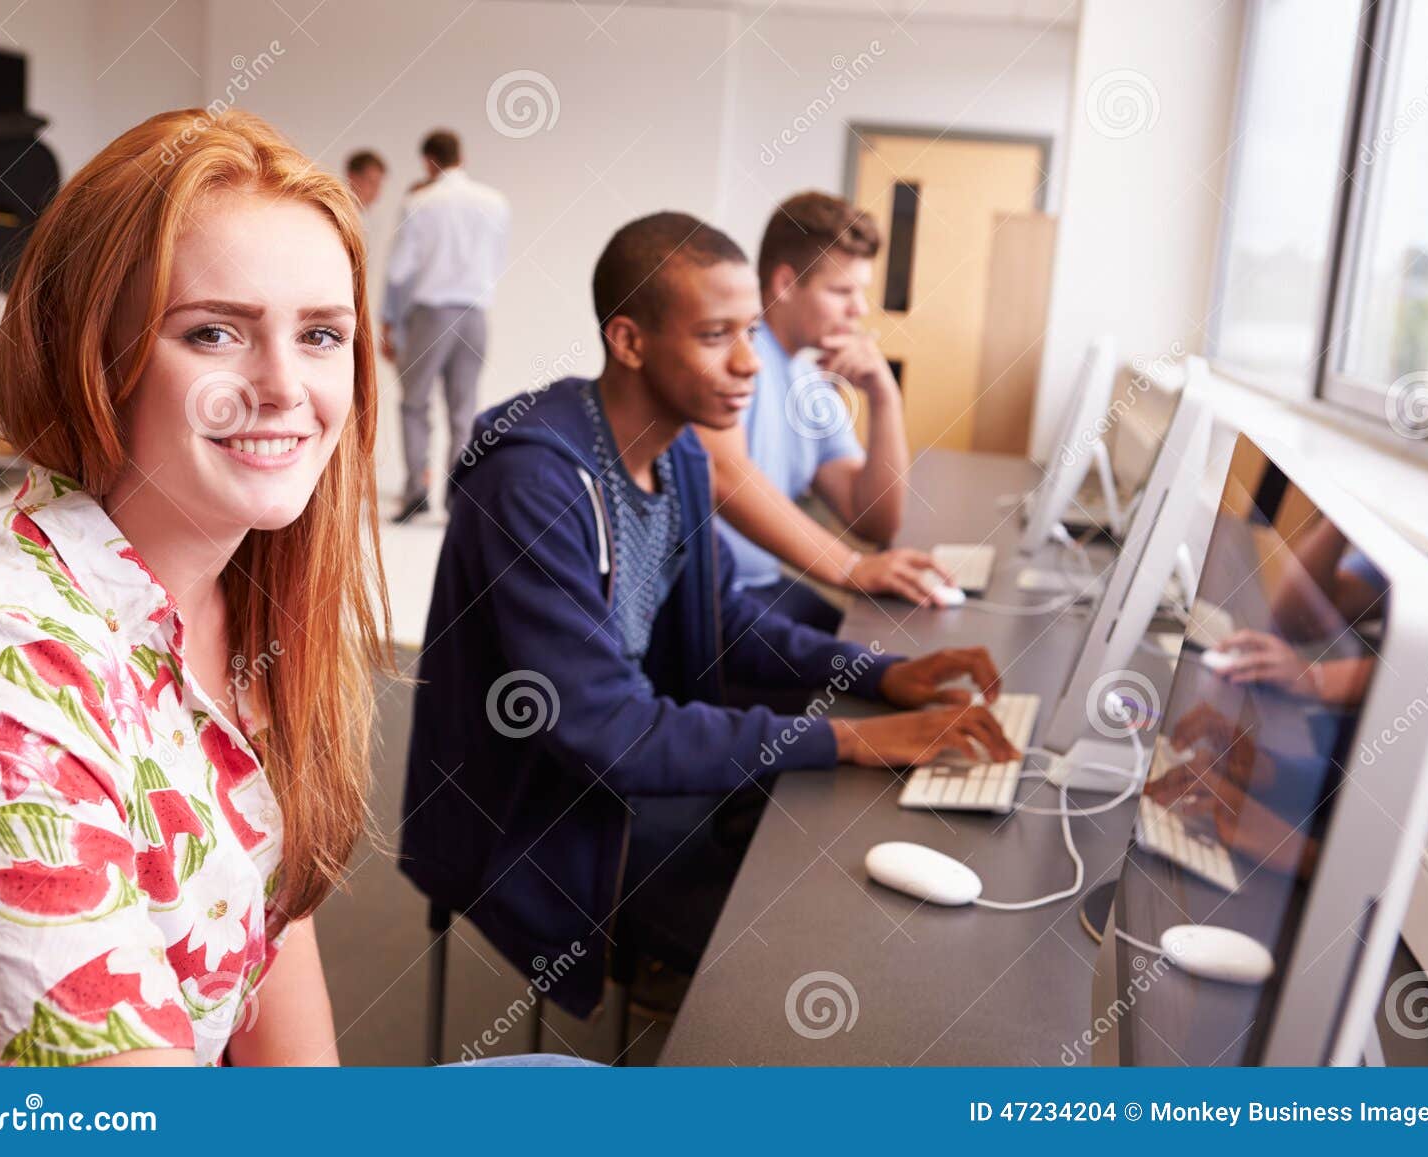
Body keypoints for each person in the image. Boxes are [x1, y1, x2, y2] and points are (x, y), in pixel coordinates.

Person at [0, 108, 396, 1067]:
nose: (284, 385)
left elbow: (270, 924)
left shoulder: (253, 596)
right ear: (95, 356)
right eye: (213, 333)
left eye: (322, 334)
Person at [399, 212, 1017, 1020]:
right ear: (629, 341)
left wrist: (885, 674)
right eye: (715, 335)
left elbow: (721, 614)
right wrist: (855, 738)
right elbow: (611, 732)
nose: (747, 363)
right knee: (803, 936)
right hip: (534, 818)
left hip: (622, 789)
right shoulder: (535, 483)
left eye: (751, 332)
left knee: (820, 854)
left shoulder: (679, 451)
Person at [699, 192, 950, 633]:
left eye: (861, 292)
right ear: (785, 284)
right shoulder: (734, 358)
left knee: (885, 641)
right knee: (859, 666)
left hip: (763, 587)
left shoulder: (809, 379)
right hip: (711, 600)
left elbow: (873, 518)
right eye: (842, 291)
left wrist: (884, 397)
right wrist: (852, 567)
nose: (859, 309)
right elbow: (726, 475)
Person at [381, 129, 510, 522]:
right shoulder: (496, 202)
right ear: (462, 156)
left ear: (428, 161)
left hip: (431, 314)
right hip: (475, 314)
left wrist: (389, 321)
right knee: (463, 408)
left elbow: (399, 270)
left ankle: (417, 492)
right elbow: (498, 259)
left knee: (414, 403)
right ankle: (459, 499)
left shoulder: (419, 203)